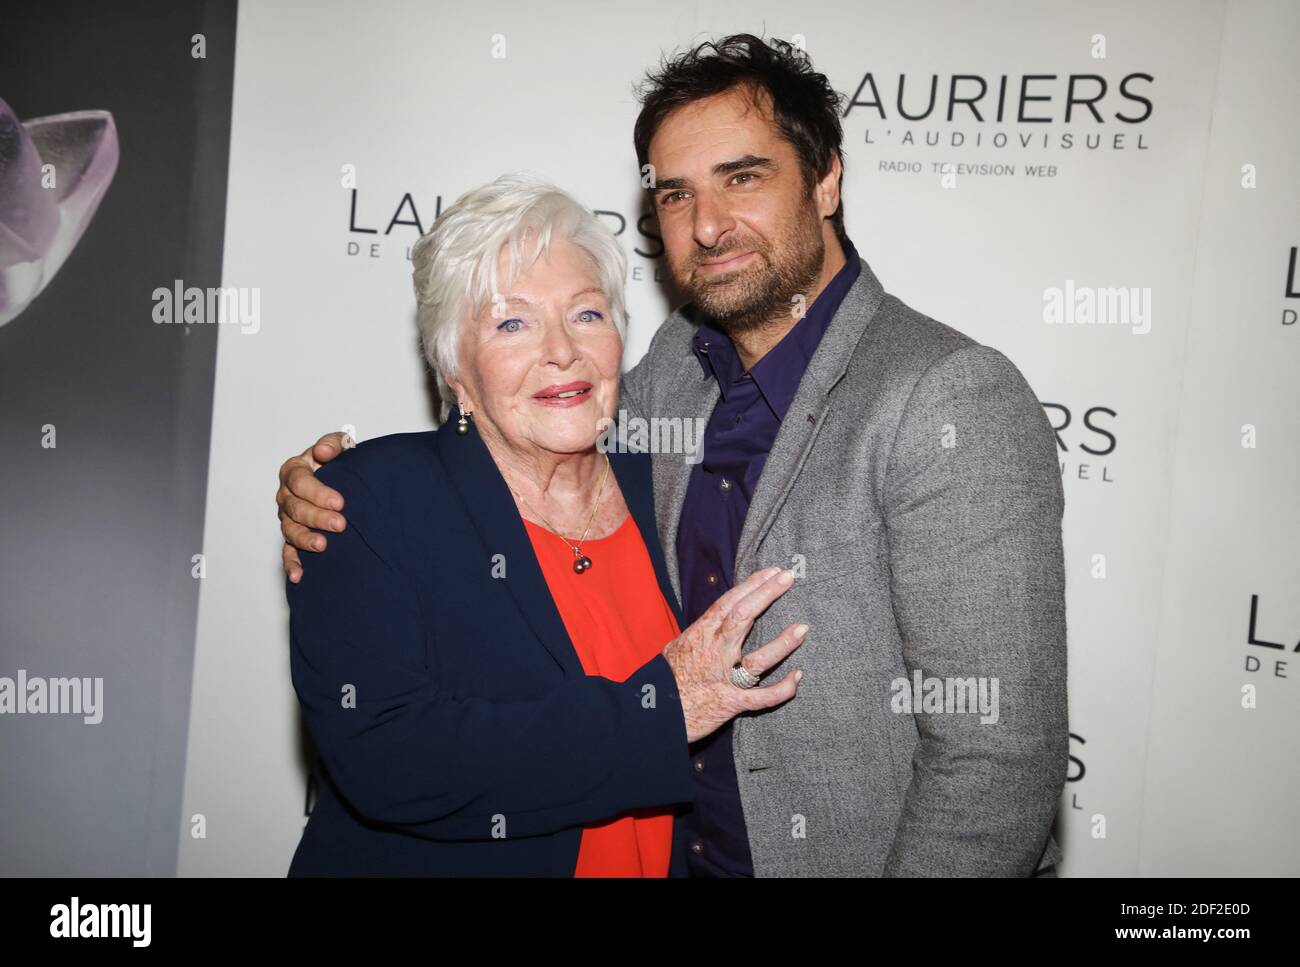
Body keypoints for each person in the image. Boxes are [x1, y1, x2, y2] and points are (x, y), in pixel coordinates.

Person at [279, 35, 1068, 877]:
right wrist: (323, 491)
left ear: (827, 180)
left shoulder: (945, 393)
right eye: (676, 194)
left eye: (744, 176)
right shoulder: (671, 377)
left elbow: (996, 763)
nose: (709, 223)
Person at [284, 172, 806, 876]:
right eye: (512, 322)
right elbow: (391, 758)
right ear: (454, 367)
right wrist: (662, 710)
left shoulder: (672, 489)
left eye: (587, 314)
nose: (562, 350)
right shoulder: (367, 500)